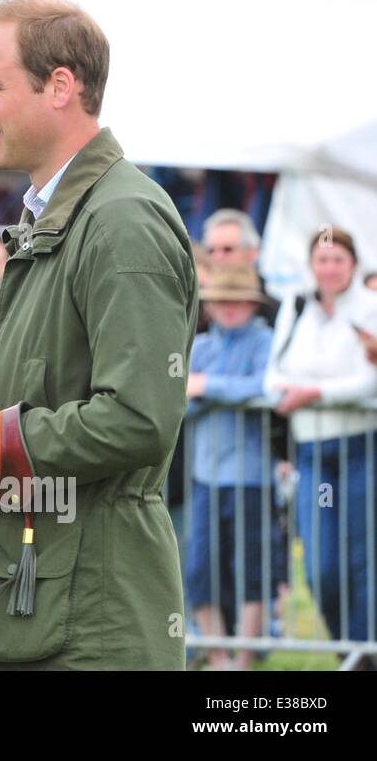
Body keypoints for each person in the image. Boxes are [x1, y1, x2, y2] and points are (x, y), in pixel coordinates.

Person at [0, 0, 198, 670]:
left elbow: (139, 418)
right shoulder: (58, 214)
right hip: (26, 603)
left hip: (87, 620)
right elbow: (32, 398)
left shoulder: (122, 221)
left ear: (60, 87)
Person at [264, 227, 377, 646]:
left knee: (364, 561)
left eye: (338, 260)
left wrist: (316, 392)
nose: (329, 268)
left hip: (362, 449)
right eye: (322, 260)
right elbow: (273, 375)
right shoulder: (297, 308)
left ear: (352, 263)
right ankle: (350, 646)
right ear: (312, 265)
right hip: (313, 454)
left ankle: (364, 655)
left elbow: (371, 381)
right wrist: (295, 392)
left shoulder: (370, 307)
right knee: (321, 567)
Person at [184, 264, 284, 670]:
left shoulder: (266, 342)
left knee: (252, 568)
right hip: (205, 476)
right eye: (221, 301)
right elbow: (177, 397)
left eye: (236, 300)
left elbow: (267, 387)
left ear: (251, 304)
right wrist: (210, 390)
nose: (228, 308)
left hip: (252, 476)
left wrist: (209, 387)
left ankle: (242, 661)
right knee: (199, 568)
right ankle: (218, 654)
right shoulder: (201, 347)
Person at [201, 208, 280, 326]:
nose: (217, 257)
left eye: (227, 249)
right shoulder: (197, 305)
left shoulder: (274, 310)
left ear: (252, 253)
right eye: (211, 251)